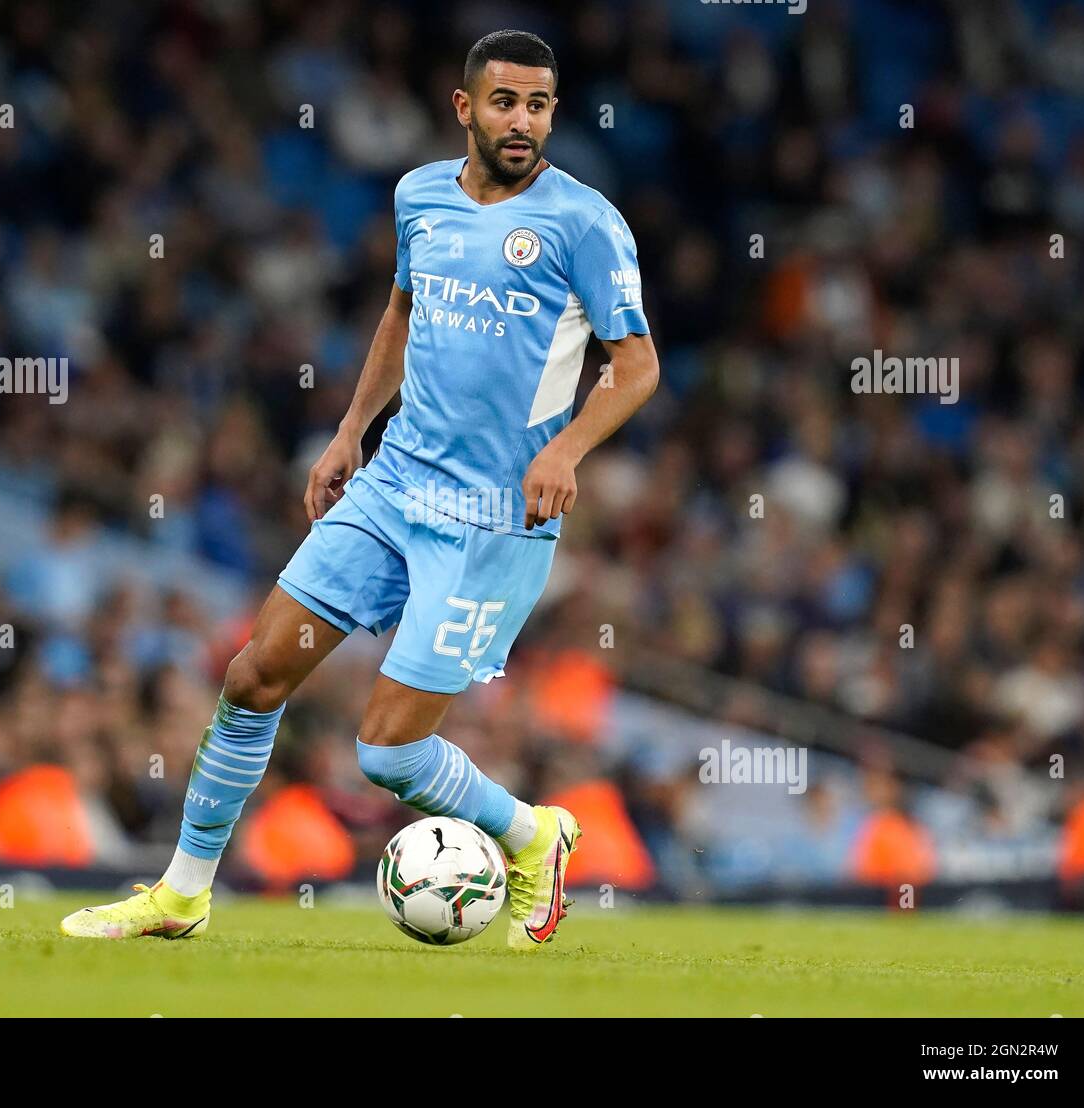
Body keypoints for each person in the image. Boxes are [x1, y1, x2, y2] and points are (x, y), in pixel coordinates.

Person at [60, 28, 659, 950]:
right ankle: (181, 895)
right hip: (394, 487)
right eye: (505, 102)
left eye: (539, 105)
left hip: (491, 523)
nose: (522, 122)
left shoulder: (585, 223)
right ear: (465, 108)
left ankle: (536, 833)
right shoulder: (417, 195)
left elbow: (638, 363)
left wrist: (570, 450)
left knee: (387, 752)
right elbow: (402, 312)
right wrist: (350, 430)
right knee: (254, 677)